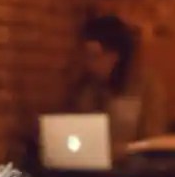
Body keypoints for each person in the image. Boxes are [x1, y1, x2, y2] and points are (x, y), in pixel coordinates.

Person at [69, 15, 168, 155]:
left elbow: (153, 138)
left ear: (116, 56)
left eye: (95, 56)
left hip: (136, 168)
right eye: (86, 56)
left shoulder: (146, 86)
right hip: (93, 167)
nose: (89, 64)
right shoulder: (87, 88)